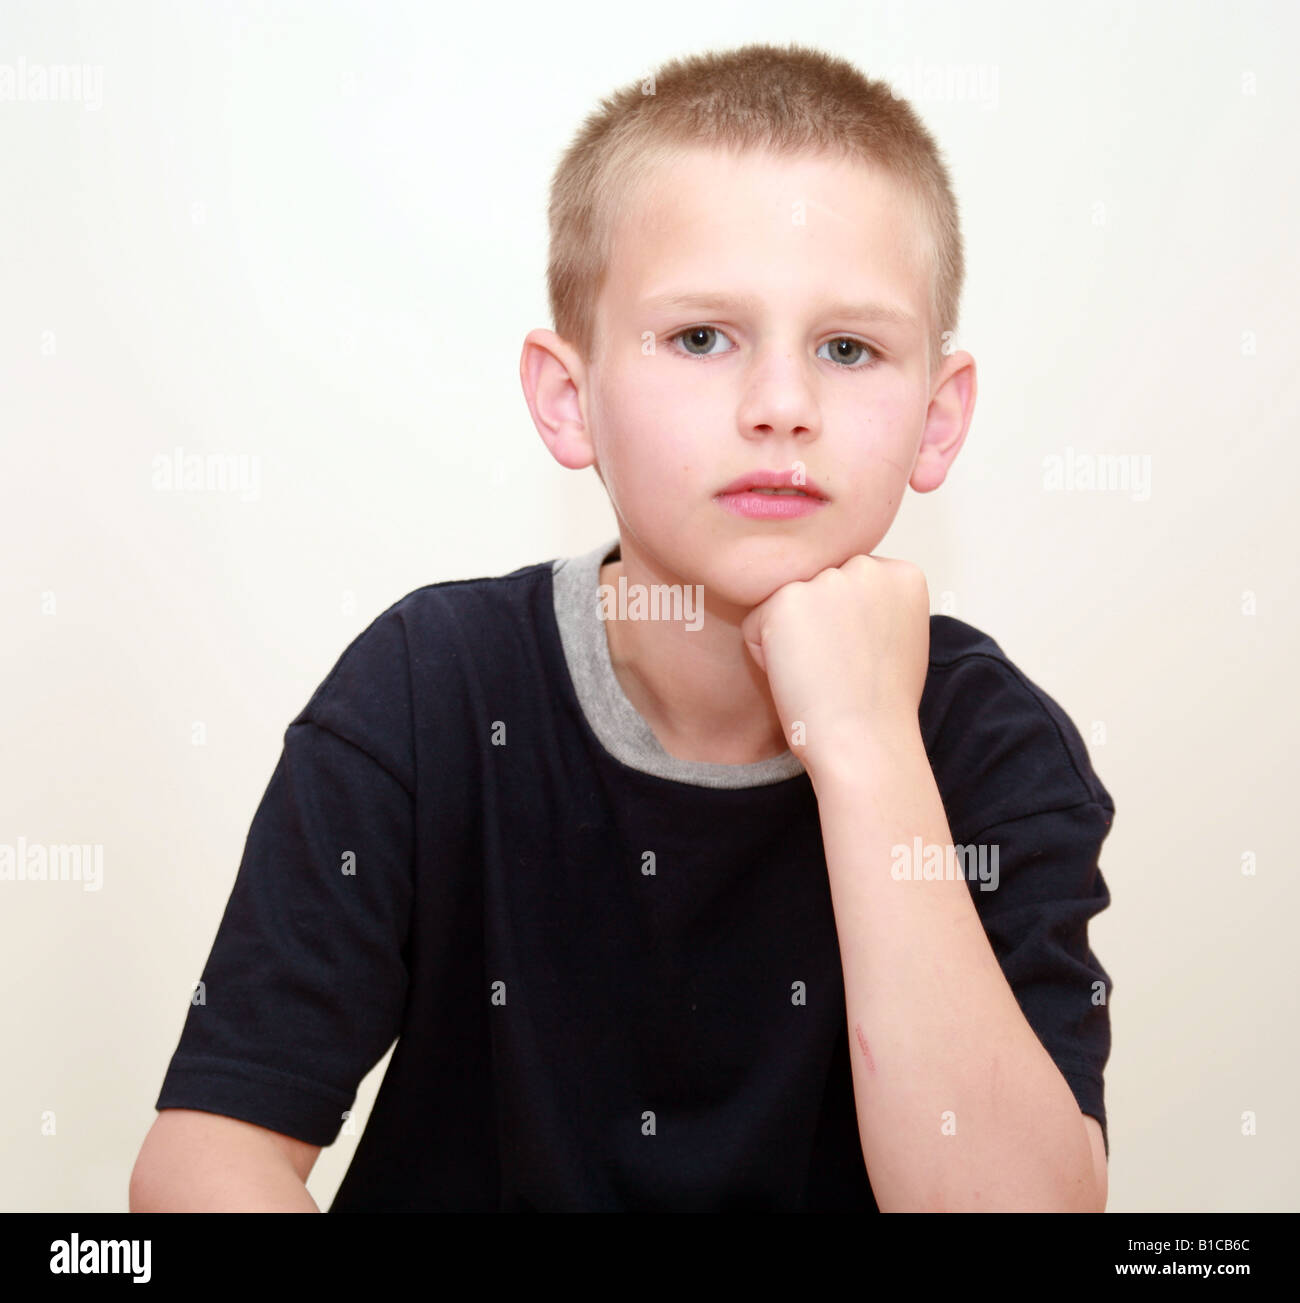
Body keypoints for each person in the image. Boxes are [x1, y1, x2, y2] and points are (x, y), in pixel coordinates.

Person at [129, 41, 1114, 1213]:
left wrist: (865, 748)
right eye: (701, 338)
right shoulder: (429, 689)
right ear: (567, 397)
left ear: (937, 419)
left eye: (848, 348)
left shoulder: (992, 749)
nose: (781, 408)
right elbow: (203, 1162)